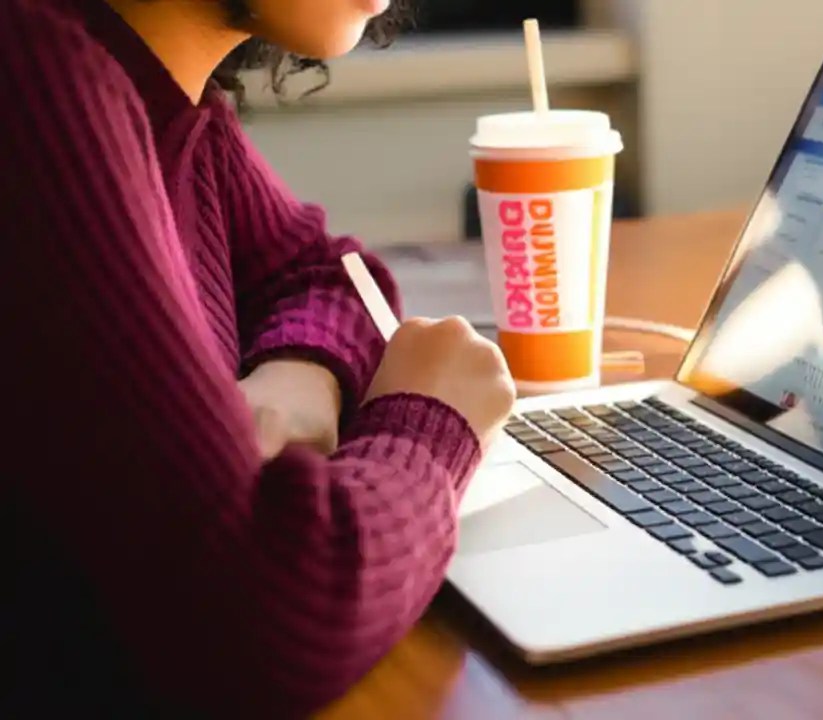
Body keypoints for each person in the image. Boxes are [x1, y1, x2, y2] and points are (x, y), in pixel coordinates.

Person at [0, 0, 515, 716]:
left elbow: (329, 274)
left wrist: (295, 381)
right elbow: (265, 619)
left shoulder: (166, 100)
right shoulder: (30, 77)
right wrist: (431, 425)